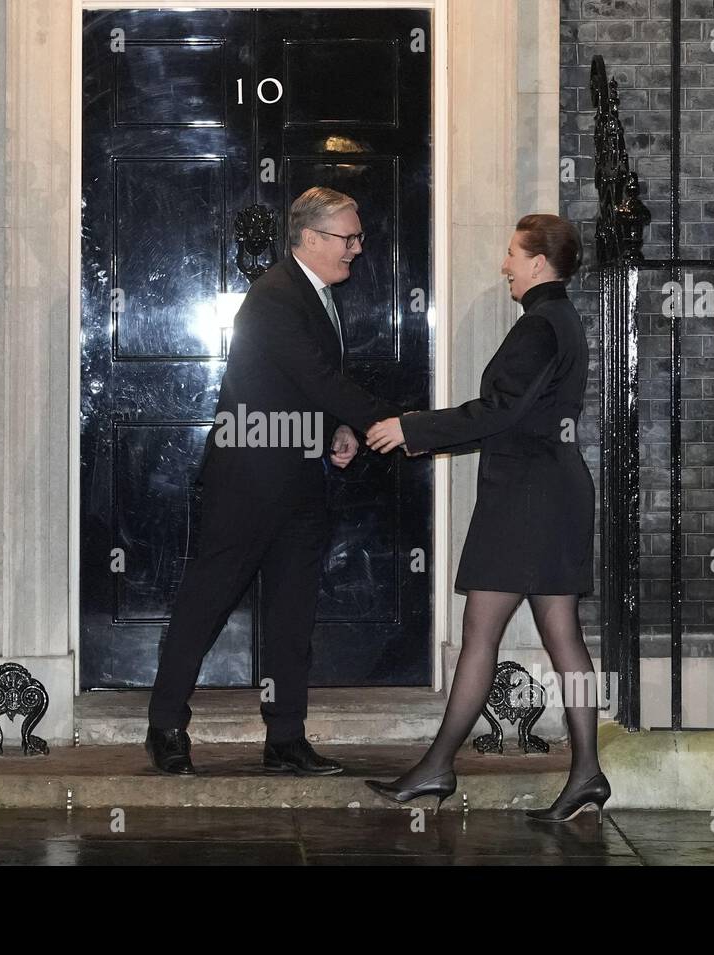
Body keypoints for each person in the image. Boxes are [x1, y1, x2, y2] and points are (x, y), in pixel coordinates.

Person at [145, 187, 402, 776]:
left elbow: (301, 384)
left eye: (358, 237)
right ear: (310, 239)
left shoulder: (316, 294)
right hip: (248, 482)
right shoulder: (274, 295)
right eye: (348, 238)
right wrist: (383, 422)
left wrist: (337, 427)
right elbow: (312, 374)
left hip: (300, 479)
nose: (357, 249)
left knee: (292, 614)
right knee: (205, 605)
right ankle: (165, 727)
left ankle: (285, 737)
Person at [364, 213, 609, 823]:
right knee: (565, 641)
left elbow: (497, 411)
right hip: (554, 492)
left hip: (527, 498)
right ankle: (586, 772)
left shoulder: (538, 327)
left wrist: (411, 428)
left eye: (510, 254)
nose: (503, 266)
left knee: (480, 636)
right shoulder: (564, 321)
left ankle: (438, 766)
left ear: (536, 263)